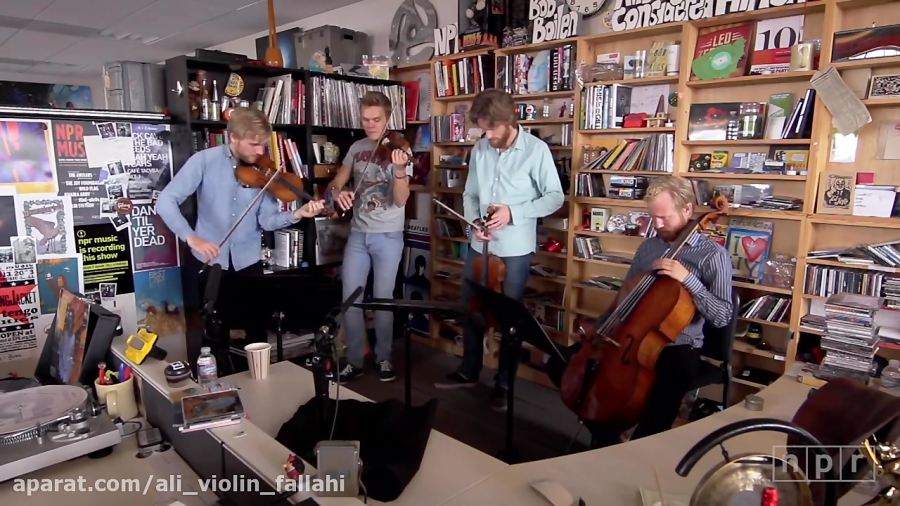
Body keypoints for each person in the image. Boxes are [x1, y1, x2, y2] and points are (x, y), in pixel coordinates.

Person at [549, 175, 734, 443]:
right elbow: (624, 298)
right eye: (652, 217)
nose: (657, 225)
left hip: (677, 345)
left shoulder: (712, 256)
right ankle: (608, 439)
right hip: (627, 337)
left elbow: (722, 316)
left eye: (664, 218)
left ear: (687, 210)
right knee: (560, 364)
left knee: (667, 391)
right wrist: (598, 328)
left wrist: (688, 279)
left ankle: (641, 447)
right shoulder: (649, 247)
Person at [434, 88, 565, 412]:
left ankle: (504, 382)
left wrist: (513, 212)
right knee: (471, 309)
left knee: (509, 318)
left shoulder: (536, 151)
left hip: (515, 250)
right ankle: (469, 369)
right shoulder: (480, 148)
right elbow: (470, 194)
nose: (486, 134)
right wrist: (473, 221)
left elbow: (554, 197)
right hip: (481, 245)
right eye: (482, 128)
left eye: (491, 128)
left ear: (509, 121)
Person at [156, 107, 325, 348]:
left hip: (249, 264)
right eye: (253, 144)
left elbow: (266, 221)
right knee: (214, 337)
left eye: (263, 145)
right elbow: (165, 201)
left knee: (256, 335)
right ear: (233, 137)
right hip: (211, 263)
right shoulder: (204, 161)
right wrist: (192, 238)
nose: (260, 152)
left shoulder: (262, 170)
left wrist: (297, 213)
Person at [330, 91, 411, 383]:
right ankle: (354, 360)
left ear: (387, 118)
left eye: (376, 120)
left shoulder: (398, 149)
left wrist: (399, 170)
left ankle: (384, 357)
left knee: (383, 300)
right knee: (350, 298)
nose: (371, 125)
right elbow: (336, 182)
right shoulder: (356, 147)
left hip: (388, 235)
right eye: (365, 119)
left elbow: (401, 200)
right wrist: (339, 194)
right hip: (358, 234)